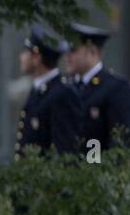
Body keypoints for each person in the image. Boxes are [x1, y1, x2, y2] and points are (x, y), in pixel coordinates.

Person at [66, 22, 130, 152]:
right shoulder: (68, 87)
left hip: (95, 168)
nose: (68, 56)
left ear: (92, 51)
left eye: (74, 50)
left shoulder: (115, 88)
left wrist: (95, 168)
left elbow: (119, 142)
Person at [15, 27, 81, 155]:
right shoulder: (38, 90)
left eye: (25, 52)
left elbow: (64, 150)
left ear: (37, 58)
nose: (21, 57)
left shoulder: (62, 94)